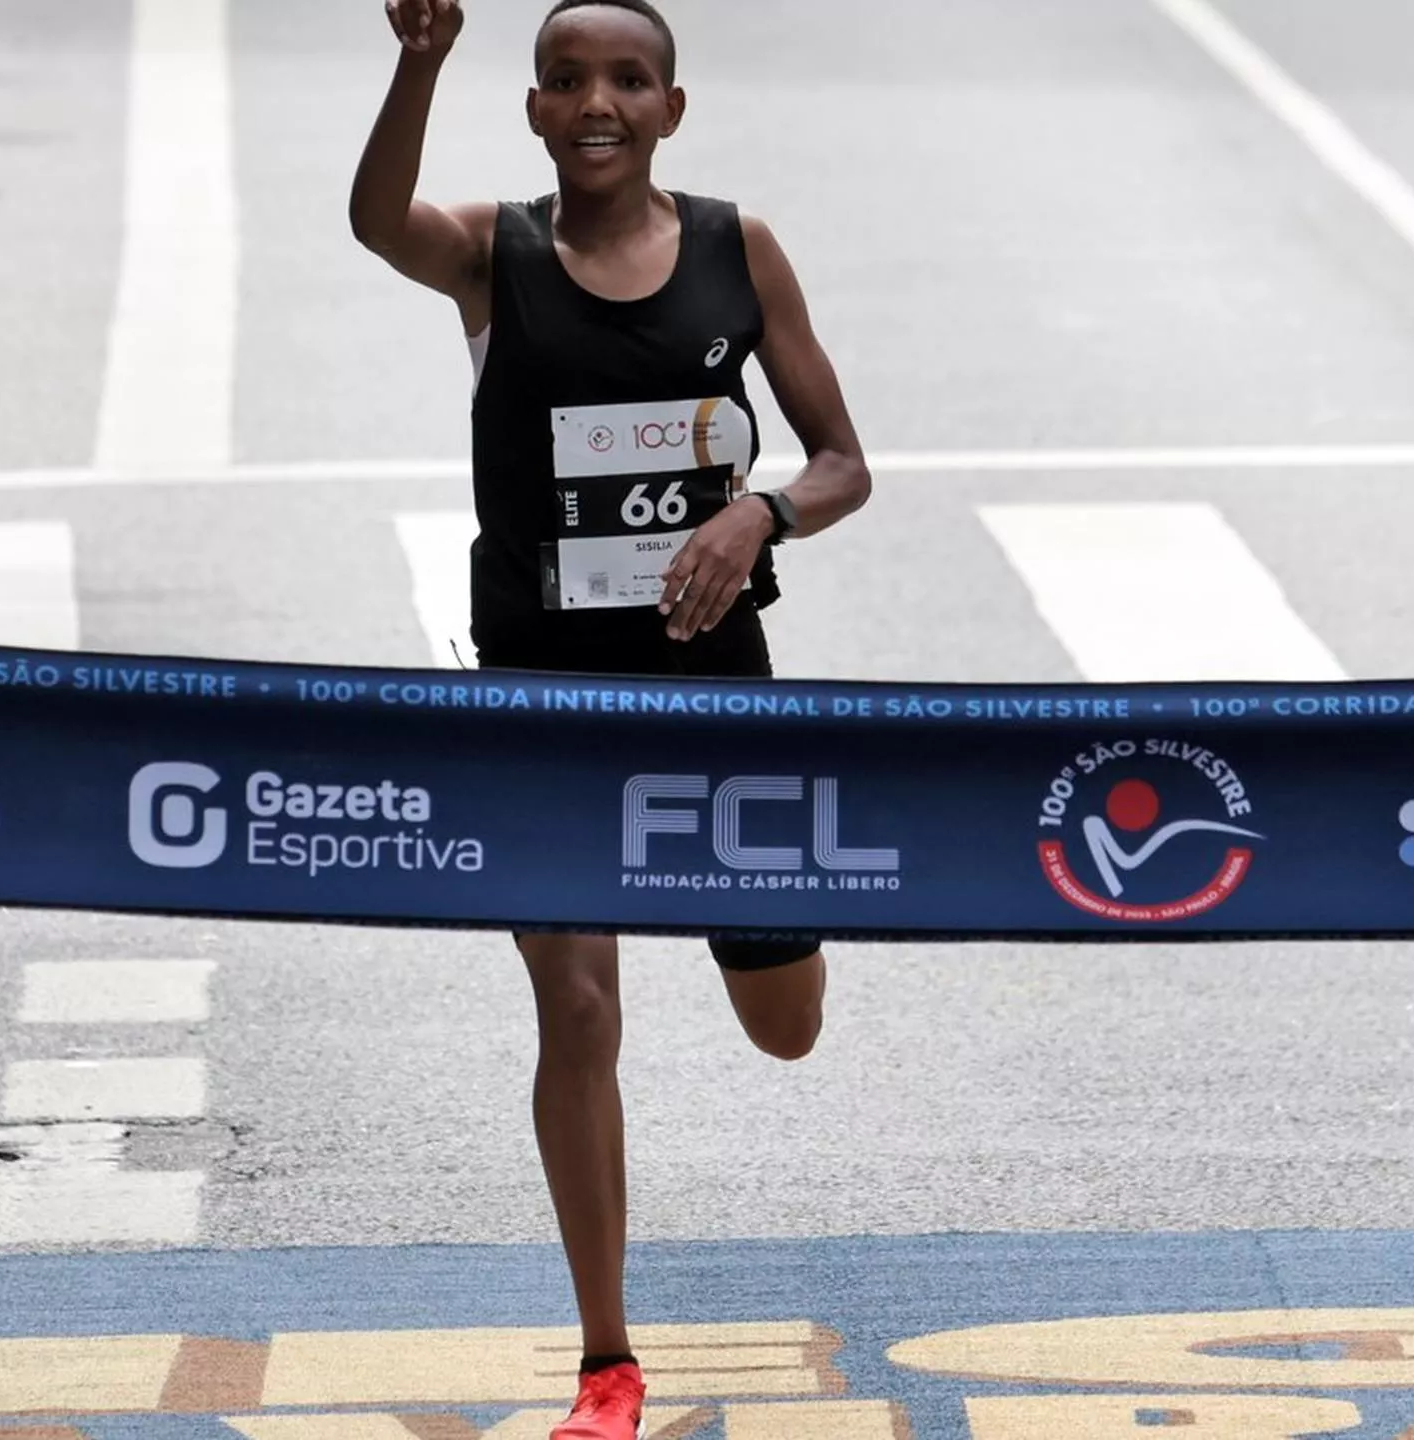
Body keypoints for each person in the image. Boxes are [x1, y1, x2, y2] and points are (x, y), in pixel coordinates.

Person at [349, 1, 872, 1434]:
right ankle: (606, 1358)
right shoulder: (492, 255)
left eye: (627, 80)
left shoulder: (735, 252)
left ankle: (757, 952)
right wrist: (418, 59)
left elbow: (844, 463)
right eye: (568, 80)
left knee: (787, 1028)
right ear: (533, 108)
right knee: (577, 1010)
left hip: (714, 692)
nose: (598, 102)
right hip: (543, 697)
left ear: (670, 108)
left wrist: (757, 511)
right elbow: (374, 219)